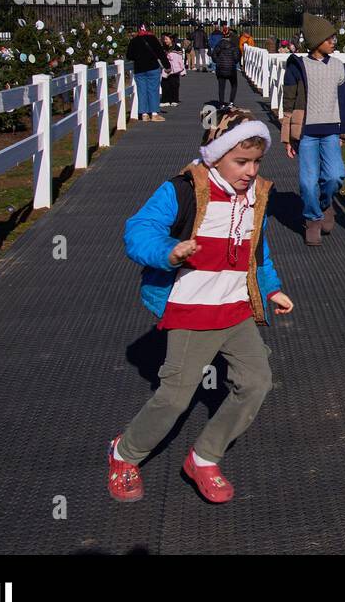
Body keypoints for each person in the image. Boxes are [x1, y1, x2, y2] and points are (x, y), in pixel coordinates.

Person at [110, 108, 294, 503]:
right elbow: (138, 229)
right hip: (192, 309)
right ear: (216, 154)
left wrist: (271, 288)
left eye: (256, 161)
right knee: (176, 397)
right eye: (240, 161)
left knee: (256, 382)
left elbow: (255, 250)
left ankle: (205, 456)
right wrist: (170, 252)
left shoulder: (255, 195)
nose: (250, 170)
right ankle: (125, 453)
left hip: (235, 308)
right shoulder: (184, 190)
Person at [279, 15, 345, 246]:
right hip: (306, 134)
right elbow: (288, 103)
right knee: (307, 182)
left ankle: (325, 204)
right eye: (329, 37)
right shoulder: (298, 67)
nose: (334, 41)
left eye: (334, 37)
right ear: (316, 40)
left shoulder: (339, 67)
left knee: (335, 176)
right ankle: (313, 219)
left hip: (331, 133)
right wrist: (288, 138)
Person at [125, 23, 169, 122]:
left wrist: (138, 57)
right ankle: (154, 113)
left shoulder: (134, 40)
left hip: (139, 69)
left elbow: (129, 56)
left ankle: (144, 114)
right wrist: (167, 66)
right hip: (152, 68)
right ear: (149, 29)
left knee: (142, 91)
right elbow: (161, 53)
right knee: (153, 90)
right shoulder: (153, 39)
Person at [211, 25, 241, 108]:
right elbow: (236, 58)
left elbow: (213, 55)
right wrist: (233, 62)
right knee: (234, 85)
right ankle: (231, 102)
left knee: (221, 87)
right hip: (231, 69)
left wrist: (218, 62)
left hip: (220, 68)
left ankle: (221, 104)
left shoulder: (218, 45)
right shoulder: (233, 45)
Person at [161, 33, 185, 107]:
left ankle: (174, 100)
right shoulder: (163, 48)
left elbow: (180, 61)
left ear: (171, 39)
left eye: (166, 39)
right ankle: (165, 100)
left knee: (174, 84)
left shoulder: (177, 48)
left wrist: (182, 71)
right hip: (165, 69)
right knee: (164, 85)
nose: (165, 41)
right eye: (164, 39)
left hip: (175, 70)